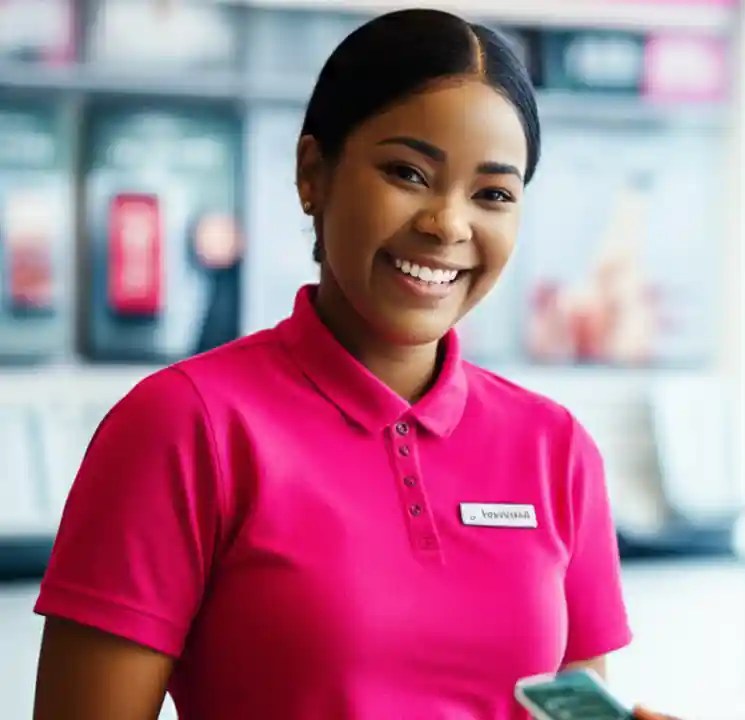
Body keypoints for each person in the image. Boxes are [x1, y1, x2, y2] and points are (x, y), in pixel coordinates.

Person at [32, 10, 632, 719]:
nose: (448, 224)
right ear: (313, 173)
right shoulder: (184, 426)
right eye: (408, 173)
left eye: (493, 194)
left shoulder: (554, 449)